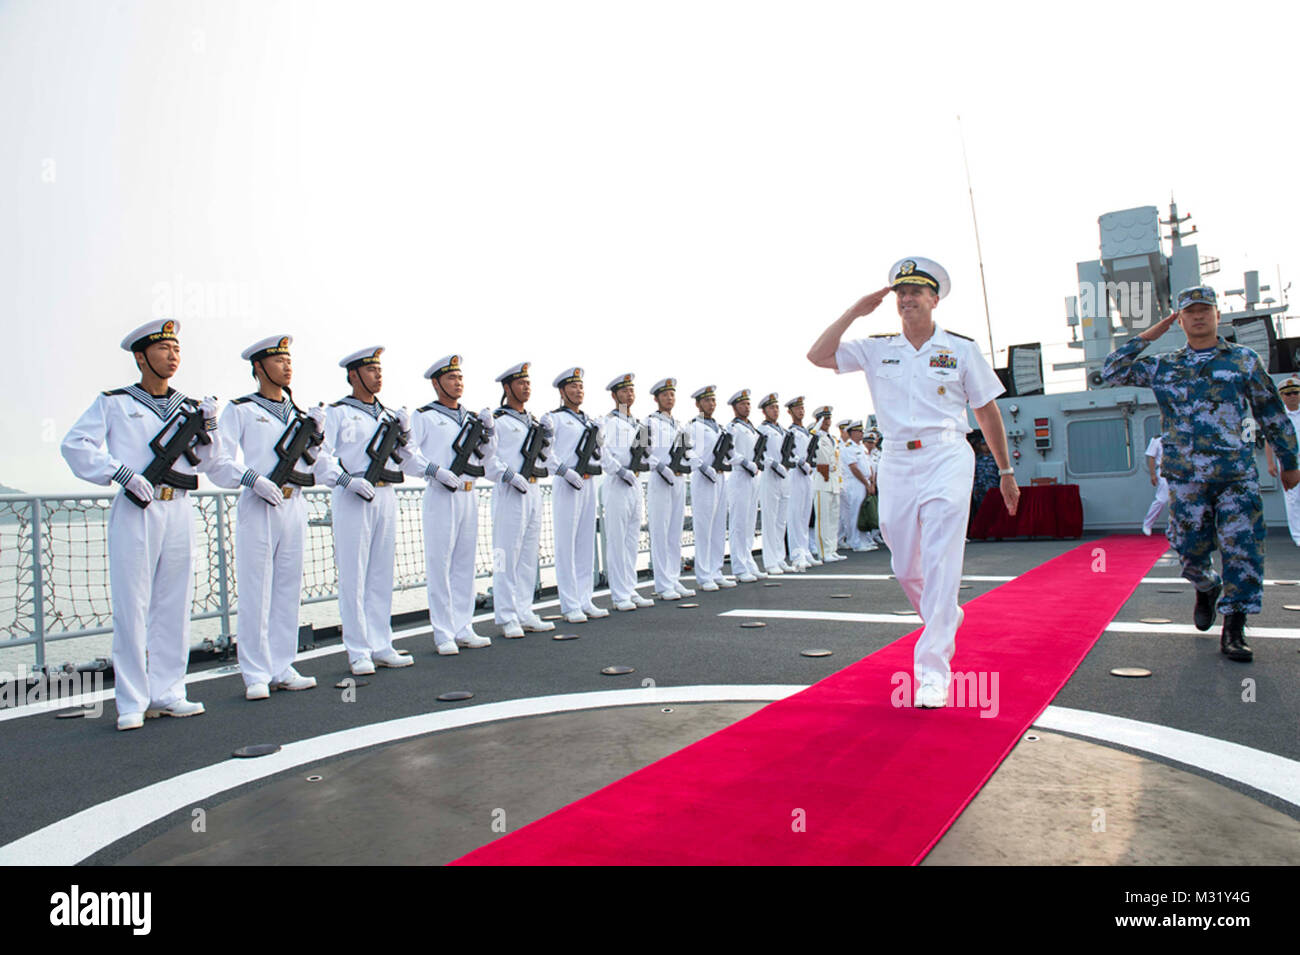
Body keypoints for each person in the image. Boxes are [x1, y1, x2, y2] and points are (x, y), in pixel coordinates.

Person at [808, 256, 1018, 708]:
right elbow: (818, 355)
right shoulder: (877, 349)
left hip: (947, 453)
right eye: (901, 293)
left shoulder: (961, 350)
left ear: (934, 299)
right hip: (897, 461)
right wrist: (854, 312)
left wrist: (1006, 471)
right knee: (905, 566)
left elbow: (986, 411)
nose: (906, 299)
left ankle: (932, 672)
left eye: (916, 292)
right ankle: (945, 617)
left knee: (941, 557)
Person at [1103, 285, 1300, 662]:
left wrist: (1289, 462)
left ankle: (1235, 626)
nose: (1198, 316)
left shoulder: (1243, 360)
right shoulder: (1164, 366)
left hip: (1235, 476)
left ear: (1217, 316)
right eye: (1190, 312)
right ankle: (1206, 586)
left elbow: (1271, 412)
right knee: (1189, 549)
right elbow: (1112, 370)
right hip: (1186, 478)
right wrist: (1150, 334)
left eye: (1205, 310)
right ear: (1179, 319)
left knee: (1243, 550)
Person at [61, 319, 220, 730]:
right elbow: (75, 444)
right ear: (141, 357)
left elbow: (208, 462)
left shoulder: (189, 407)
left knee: (174, 604)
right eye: (164, 348)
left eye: (177, 349)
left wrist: (210, 426)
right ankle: (132, 699)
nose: (173, 355)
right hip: (137, 508)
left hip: (178, 506)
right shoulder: (115, 402)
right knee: (132, 606)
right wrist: (119, 472)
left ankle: (169, 691)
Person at [210, 334, 319, 700]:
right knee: (257, 590)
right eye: (278, 361)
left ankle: (282, 665)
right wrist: (250, 479)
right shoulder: (240, 409)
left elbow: (315, 464)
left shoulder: (299, 416)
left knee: (288, 588)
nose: (287, 366)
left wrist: (318, 438)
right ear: (258, 367)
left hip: (294, 502)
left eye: (289, 360)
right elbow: (218, 460)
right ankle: (255, 672)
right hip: (259, 504)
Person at [316, 346, 423, 675]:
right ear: (354, 375)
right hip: (353, 495)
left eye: (379, 370)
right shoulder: (337, 413)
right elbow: (321, 456)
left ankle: (381, 643)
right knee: (354, 576)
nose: (378, 375)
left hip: (386, 493)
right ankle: (358, 650)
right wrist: (345, 481)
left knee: (380, 574)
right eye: (371, 370)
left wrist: (407, 433)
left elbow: (409, 459)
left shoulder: (388, 416)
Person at [410, 354, 495, 655]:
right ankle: (444, 632)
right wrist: (434, 471)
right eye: (451, 378)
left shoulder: (471, 419)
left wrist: (490, 433)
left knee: (464, 565)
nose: (458, 382)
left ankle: (464, 626)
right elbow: (408, 455)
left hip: (469, 493)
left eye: (460, 377)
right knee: (440, 565)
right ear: (436, 383)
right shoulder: (424, 416)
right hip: (441, 493)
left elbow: (485, 457)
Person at [485, 361, 556, 638]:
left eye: (528, 383)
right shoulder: (499, 420)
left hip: (534, 490)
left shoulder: (534, 422)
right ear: (507, 388)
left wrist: (549, 438)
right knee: (505, 555)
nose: (526, 387)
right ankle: (506, 616)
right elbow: (488, 459)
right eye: (520, 383)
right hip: (509, 491)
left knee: (528, 555)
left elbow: (545, 459)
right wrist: (508, 475)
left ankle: (524, 610)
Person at [542, 367, 610, 623]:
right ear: (562, 391)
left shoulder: (590, 420)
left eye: (580, 386)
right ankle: (570, 604)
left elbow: (600, 452)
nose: (578, 390)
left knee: (585, 543)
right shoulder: (554, 419)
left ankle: (585, 599)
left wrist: (600, 436)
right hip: (567, 482)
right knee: (566, 545)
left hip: (589, 482)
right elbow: (546, 453)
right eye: (573, 386)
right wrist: (563, 471)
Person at [600, 373, 654, 611]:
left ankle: (630, 588)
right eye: (623, 391)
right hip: (617, 483)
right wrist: (619, 470)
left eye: (631, 390)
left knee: (632, 540)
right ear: (614, 396)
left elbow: (646, 453)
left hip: (635, 483)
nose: (629, 394)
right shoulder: (609, 422)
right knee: (617, 541)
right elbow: (602, 452)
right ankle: (619, 594)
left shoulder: (638, 424)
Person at [646, 377, 696, 600]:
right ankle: (663, 583)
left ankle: (674, 578)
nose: (669, 398)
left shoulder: (679, 425)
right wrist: (660, 467)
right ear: (656, 399)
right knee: (661, 532)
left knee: (675, 532)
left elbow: (688, 451)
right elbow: (642, 452)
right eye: (665, 395)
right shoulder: (648, 423)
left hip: (678, 479)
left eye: (672, 394)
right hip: (660, 479)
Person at [688, 385, 738, 591]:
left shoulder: (720, 427)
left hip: (720, 477)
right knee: (704, 528)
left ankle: (716, 570)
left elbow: (730, 452)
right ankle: (704, 575)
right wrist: (701, 466)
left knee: (718, 526)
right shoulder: (692, 426)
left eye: (713, 400)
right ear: (698, 404)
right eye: (707, 400)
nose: (711, 404)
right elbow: (685, 450)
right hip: (703, 478)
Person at [725, 389, 764, 582]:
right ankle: (739, 567)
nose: (746, 407)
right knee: (739, 524)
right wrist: (744, 462)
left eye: (748, 404)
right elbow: (728, 451)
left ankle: (748, 562)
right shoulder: (733, 427)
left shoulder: (751, 428)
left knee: (749, 523)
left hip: (753, 476)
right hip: (740, 475)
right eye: (742, 404)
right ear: (734, 407)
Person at [757, 392, 794, 574]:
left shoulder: (783, 431)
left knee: (781, 520)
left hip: (784, 476)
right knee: (770, 520)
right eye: (771, 407)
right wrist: (772, 464)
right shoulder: (762, 430)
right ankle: (770, 561)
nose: (775, 410)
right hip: (770, 476)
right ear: (764, 411)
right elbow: (759, 453)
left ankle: (780, 557)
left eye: (777, 407)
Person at [1264, 376, 1300, 547]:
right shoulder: (1277, 417)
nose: (1292, 396)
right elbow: (1269, 440)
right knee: (1293, 499)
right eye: (1288, 394)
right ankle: (1298, 535)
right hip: (1289, 461)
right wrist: (1270, 463)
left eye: (1295, 393)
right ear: (1281, 396)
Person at [784, 396, 817, 570]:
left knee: (805, 514)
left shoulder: (806, 432)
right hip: (796, 474)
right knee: (795, 515)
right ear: (790, 412)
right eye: (797, 408)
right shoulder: (791, 432)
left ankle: (805, 550)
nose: (801, 411)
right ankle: (797, 554)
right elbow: (789, 452)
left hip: (807, 475)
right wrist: (800, 462)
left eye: (802, 408)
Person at [810, 405, 845, 562]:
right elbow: (811, 443)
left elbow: (838, 461)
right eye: (823, 419)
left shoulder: (832, 439)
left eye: (829, 418)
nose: (827, 421)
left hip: (834, 481)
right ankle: (824, 551)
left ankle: (832, 549)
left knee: (833, 518)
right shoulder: (816, 436)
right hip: (822, 481)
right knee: (823, 519)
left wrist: (840, 482)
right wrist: (816, 428)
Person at [841, 421, 877, 552]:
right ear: (852, 433)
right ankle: (855, 542)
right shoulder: (848, 448)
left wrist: (871, 482)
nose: (862, 433)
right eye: (859, 431)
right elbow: (854, 468)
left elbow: (869, 466)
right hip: (854, 483)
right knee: (855, 513)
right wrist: (866, 483)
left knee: (864, 512)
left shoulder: (861, 447)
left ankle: (864, 540)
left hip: (865, 482)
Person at [1140, 434, 1168, 537]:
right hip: (1164, 470)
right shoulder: (1157, 440)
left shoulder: (1180, 437)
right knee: (1162, 499)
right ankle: (1147, 523)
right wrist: (1152, 474)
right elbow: (1151, 457)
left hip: (1179, 471)